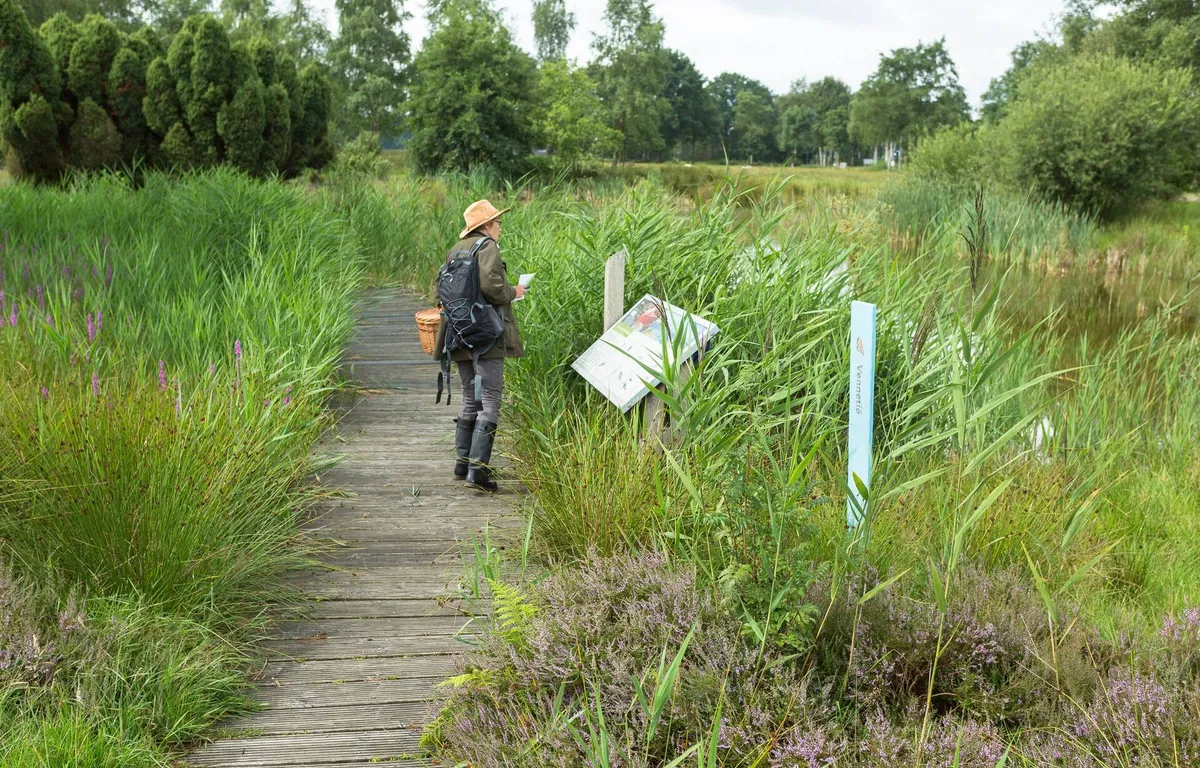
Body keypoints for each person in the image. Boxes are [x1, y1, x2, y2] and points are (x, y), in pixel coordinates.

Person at [433, 200, 525, 492]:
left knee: (470, 397)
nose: (499, 227)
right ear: (486, 226)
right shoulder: (487, 247)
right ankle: (479, 472)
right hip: (486, 335)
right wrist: (515, 291)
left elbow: (439, 292)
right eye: (497, 223)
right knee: (490, 398)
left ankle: (463, 463)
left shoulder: (454, 251)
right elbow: (493, 288)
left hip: (458, 334)